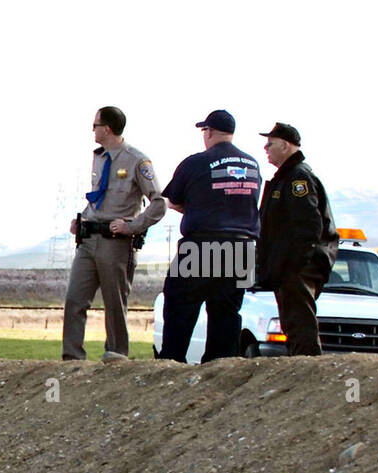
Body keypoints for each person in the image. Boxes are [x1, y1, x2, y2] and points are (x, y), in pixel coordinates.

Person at [157, 110, 262, 362]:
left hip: (202, 244)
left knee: (180, 306)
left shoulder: (195, 162)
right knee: (226, 312)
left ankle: (171, 365)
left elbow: (174, 200)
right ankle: (220, 368)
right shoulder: (253, 164)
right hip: (242, 247)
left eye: (204, 131)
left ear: (209, 131)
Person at [63, 106, 166, 361]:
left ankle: (116, 357)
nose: (93, 131)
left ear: (107, 128)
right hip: (88, 240)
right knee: (75, 300)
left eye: (95, 126)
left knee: (114, 305)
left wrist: (132, 226)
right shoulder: (99, 158)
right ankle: (72, 359)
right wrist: (83, 217)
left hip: (116, 243)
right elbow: (101, 197)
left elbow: (159, 203)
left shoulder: (137, 161)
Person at [255, 123, 340, 356]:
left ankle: (308, 373)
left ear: (285, 145)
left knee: (300, 325)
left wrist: (293, 264)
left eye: (270, 143)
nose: (265, 147)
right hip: (288, 267)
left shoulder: (297, 178)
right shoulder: (287, 177)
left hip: (297, 268)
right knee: (293, 324)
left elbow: (309, 226)